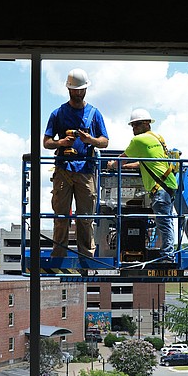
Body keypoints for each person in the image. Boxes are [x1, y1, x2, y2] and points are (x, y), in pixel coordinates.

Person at [43, 68, 109, 258]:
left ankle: (87, 255)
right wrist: (61, 143)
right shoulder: (58, 114)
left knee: (86, 217)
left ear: (85, 90)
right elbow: (46, 142)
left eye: (81, 90)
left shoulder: (94, 114)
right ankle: (59, 254)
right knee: (61, 216)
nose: (78, 93)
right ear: (69, 90)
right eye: (75, 90)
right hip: (64, 170)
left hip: (86, 170)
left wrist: (90, 140)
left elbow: (104, 141)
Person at [107, 108, 178, 261]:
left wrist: (113, 165)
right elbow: (145, 163)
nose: (134, 129)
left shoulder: (138, 141)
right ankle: (168, 252)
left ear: (146, 124)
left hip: (159, 187)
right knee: (166, 221)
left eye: (137, 125)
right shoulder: (158, 137)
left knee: (164, 223)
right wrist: (125, 167)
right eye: (133, 125)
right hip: (168, 184)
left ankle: (167, 256)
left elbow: (122, 159)